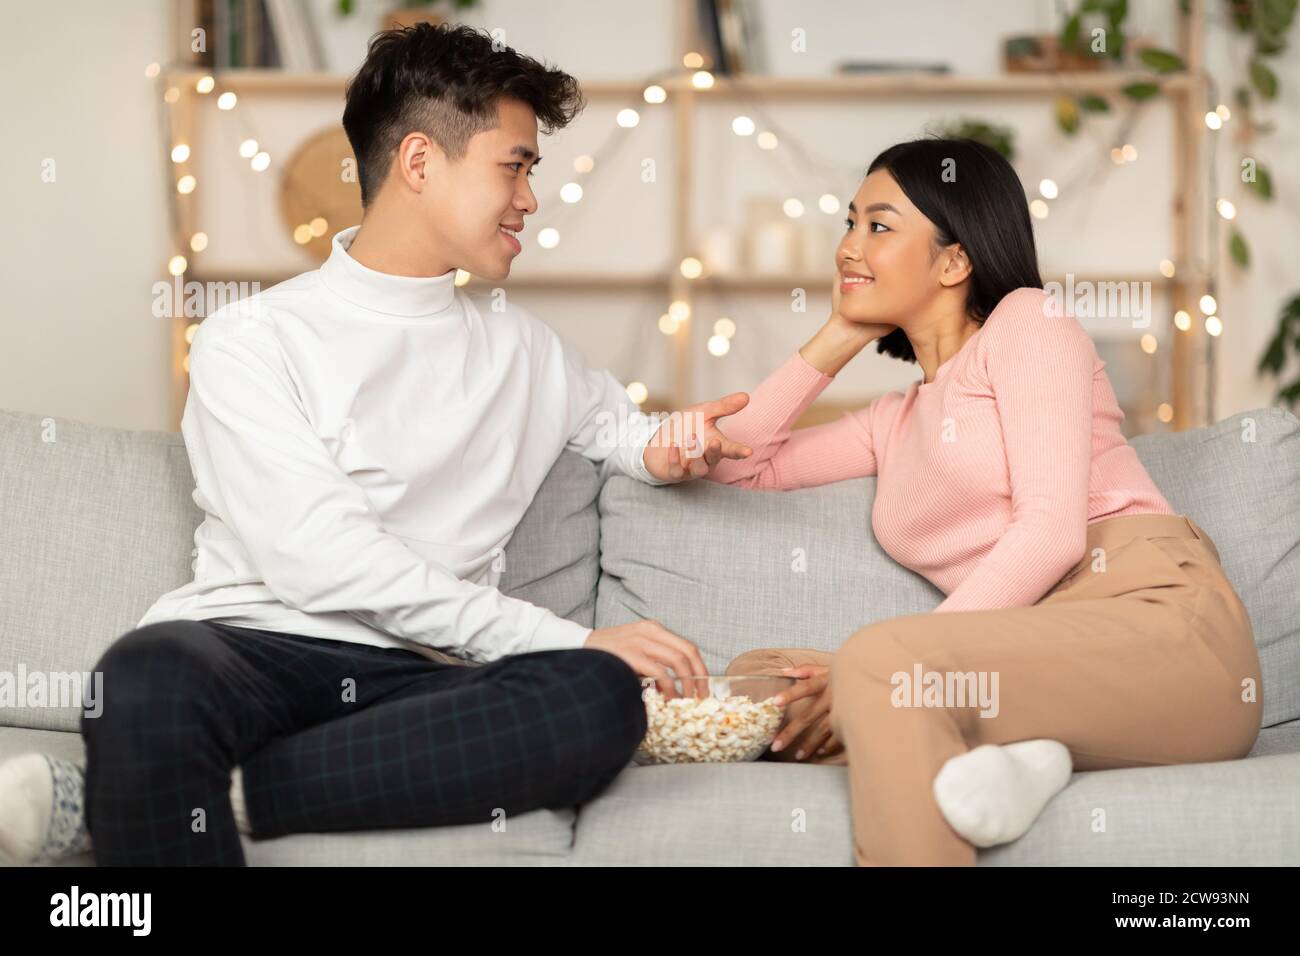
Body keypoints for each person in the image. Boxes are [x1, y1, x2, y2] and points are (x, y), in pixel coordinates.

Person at [0, 23, 748, 867]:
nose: (531, 199)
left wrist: (676, 446)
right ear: (421, 162)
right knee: (145, 673)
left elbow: (628, 434)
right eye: (516, 165)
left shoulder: (526, 349)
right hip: (250, 649)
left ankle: (183, 795)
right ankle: (175, 774)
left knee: (597, 702)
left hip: (425, 681)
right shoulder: (252, 337)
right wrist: (566, 634)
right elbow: (323, 561)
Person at [703, 137, 1264, 866]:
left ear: (955, 260)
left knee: (876, 665)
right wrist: (838, 335)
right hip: (1030, 659)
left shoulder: (1031, 323)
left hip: (1162, 630)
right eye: (849, 223)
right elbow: (734, 464)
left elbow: (1052, 534)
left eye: (878, 226)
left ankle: (1006, 745)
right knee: (762, 684)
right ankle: (1031, 757)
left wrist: (881, 669)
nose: (847, 245)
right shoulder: (893, 422)